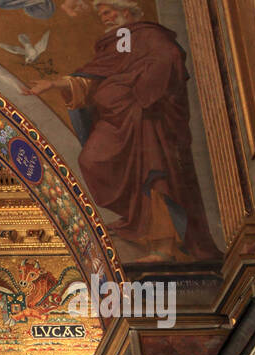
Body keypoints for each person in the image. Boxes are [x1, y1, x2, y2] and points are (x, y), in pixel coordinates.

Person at [22, 0, 220, 262]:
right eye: (101, 13)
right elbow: (91, 80)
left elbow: (169, 57)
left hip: (145, 121)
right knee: (90, 160)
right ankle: (139, 225)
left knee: (153, 174)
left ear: (126, 11)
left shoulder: (148, 35)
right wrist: (51, 84)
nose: (104, 18)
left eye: (108, 12)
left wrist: (140, 92)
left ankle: (163, 245)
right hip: (116, 122)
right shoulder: (112, 45)